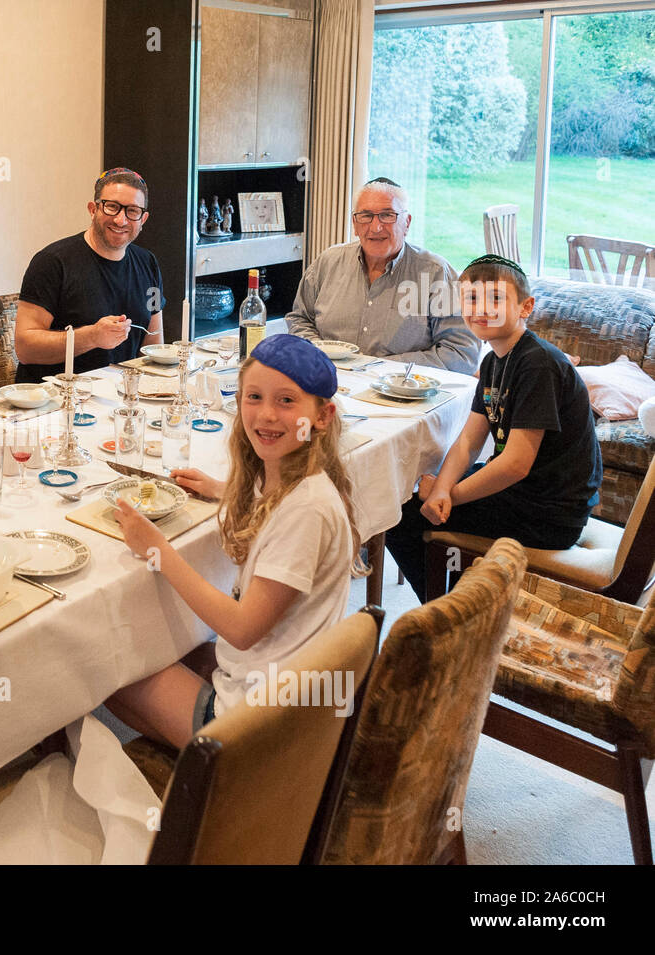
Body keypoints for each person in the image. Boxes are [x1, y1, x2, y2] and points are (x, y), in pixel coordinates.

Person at [106, 335, 364, 749]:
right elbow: (275, 507)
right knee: (164, 641)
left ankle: (215, 780)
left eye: (286, 401)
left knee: (112, 669)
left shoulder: (307, 511)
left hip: (260, 725)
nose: (266, 415)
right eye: (254, 397)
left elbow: (242, 630)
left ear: (323, 415)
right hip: (285, 686)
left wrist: (158, 550)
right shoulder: (295, 479)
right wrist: (223, 490)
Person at [386, 254, 603, 600]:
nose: (481, 308)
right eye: (471, 298)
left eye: (496, 299)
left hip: (548, 513)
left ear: (525, 307)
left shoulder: (538, 364)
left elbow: (516, 464)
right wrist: (443, 488)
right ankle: (460, 605)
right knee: (410, 497)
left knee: (399, 518)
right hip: (525, 497)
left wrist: (449, 497)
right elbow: (468, 443)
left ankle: (453, 613)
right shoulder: (492, 362)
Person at [285, 177, 480, 374]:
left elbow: (461, 354)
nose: (376, 227)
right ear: (355, 223)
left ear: (407, 223)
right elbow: (300, 319)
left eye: (387, 215)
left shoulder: (435, 273)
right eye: (366, 216)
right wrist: (322, 354)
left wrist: (380, 368)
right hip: (327, 382)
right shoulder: (328, 262)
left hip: (404, 396)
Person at [13, 167, 165, 384]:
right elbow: (25, 348)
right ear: (93, 209)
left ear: (143, 219)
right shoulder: (52, 262)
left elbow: (154, 339)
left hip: (120, 396)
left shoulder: (148, 263)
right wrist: (92, 336)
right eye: (112, 207)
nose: (121, 220)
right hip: (55, 400)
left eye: (132, 211)